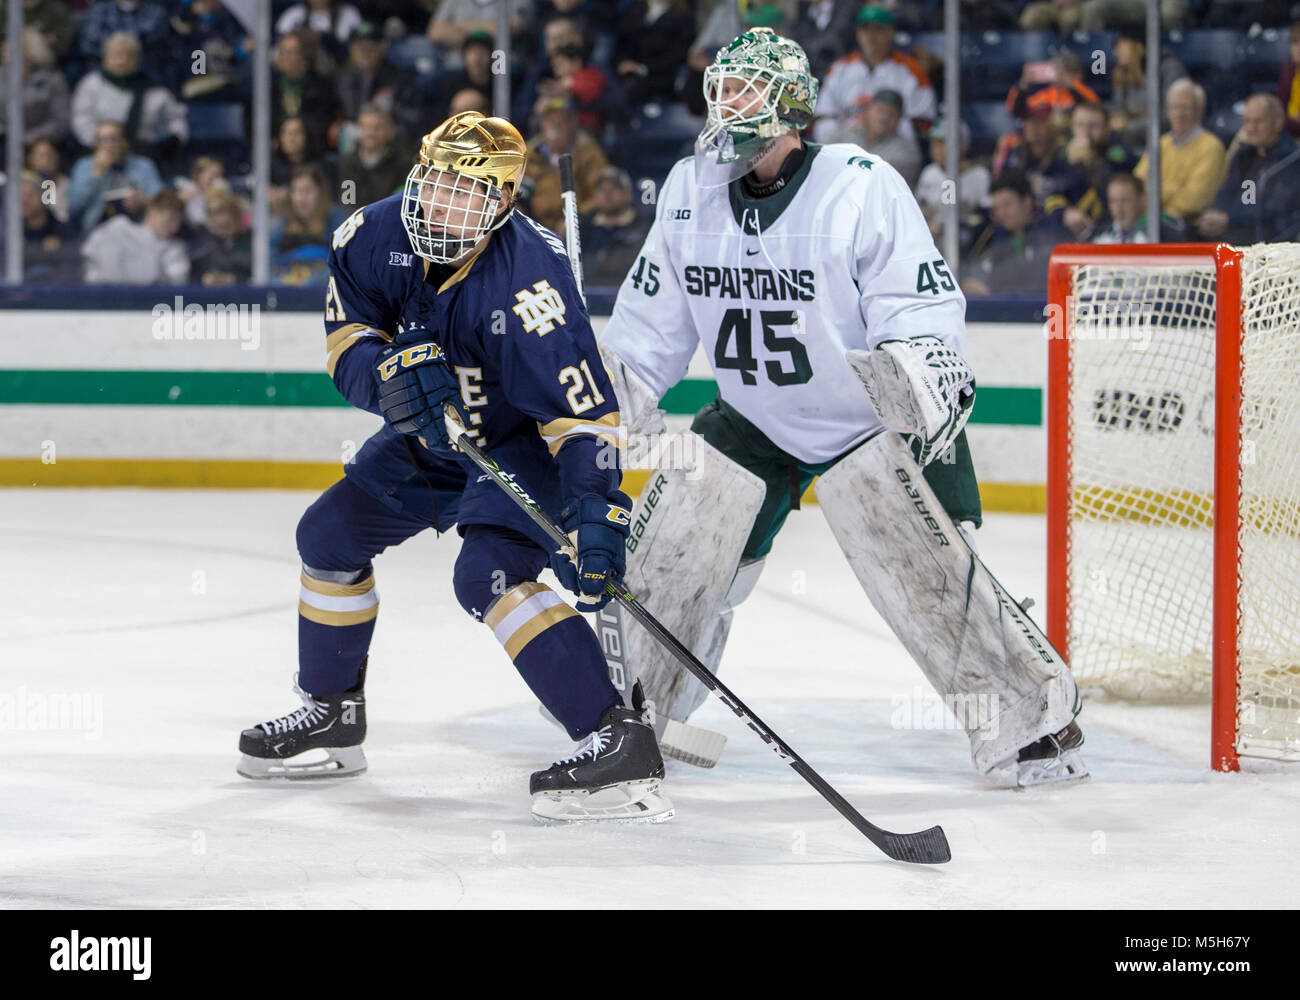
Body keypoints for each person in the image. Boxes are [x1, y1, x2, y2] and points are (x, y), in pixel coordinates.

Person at [600, 29, 1086, 785]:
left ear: (791, 105)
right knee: (675, 550)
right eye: (721, 89)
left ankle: (1031, 718)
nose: (727, 103)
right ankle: (630, 707)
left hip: (867, 417)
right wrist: (612, 400)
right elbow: (649, 326)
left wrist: (920, 375)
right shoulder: (689, 190)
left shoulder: (860, 184)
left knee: (932, 575)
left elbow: (917, 306)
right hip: (754, 415)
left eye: (747, 90)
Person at [239, 111, 670, 823]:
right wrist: (387, 383)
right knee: (327, 537)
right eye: (436, 180)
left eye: (465, 192)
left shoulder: (530, 282)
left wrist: (593, 510)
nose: (442, 202)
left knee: (487, 575)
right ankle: (333, 717)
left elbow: (582, 415)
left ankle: (611, 737)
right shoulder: (370, 235)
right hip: (434, 438)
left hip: (520, 440)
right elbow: (347, 344)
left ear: (501, 203)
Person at [813, 4, 936, 143]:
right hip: (847, 147)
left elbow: (922, 123)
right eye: (866, 30)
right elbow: (823, 116)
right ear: (858, 34)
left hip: (892, 149)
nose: (871, 37)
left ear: (891, 33)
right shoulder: (839, 68)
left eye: (878, 30)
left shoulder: (912, 70)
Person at [70, 32, 189, 167]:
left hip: (146, 155)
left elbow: (176, 120)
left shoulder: (154, 90)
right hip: (99, 153)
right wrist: (103, 145)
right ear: (105, 58)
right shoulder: (91, 84)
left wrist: (172, 142)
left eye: (129, 56)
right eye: (116, 55)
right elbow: (81, 119)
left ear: (138, 60)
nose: (122, 61)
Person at [1197, 94, 1300, 244]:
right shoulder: (1243, 156)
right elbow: (1228, 195)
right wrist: (1215, 214)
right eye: (1247, 121)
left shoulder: (1291, 160)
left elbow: (1275, 211)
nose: (1251, 128)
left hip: (1272, 242)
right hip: (1235, 236)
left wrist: (1229, 219)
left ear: (1277, 123)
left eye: (1258, 121)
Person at [962, 169, 1072, 296]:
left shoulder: (1051, 232)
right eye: (996, 208)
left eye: (1007, 205)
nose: (1001, 214)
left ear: (1027, 202)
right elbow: (979, 273)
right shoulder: (994, 238)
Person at [1133, 79, 1227, 225]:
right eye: (1174, 107)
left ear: (1199, 111)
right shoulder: (1160, 144)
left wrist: (1154, 195)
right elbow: (1136, 188)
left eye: (1186, 108)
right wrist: (1175, 190)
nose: (1179, 114)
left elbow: (1194, 201)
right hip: (1151, 222)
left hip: (1187, 228)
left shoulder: (1211, 147)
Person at [524, 96, 609, 235]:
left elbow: (599, 196)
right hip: (536, 228)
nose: (555, 125)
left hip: (579, 229)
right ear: (542, 126)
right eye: (550, 120)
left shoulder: (589, 154)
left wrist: (574, 220)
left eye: (561, 121)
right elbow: (518, 195)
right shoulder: (529, 155)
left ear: (573, 124)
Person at [66, 120, 164, 235]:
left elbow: (162, 203)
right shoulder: (84, 166)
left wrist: (143, 201)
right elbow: (73, 208)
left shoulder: (143, 165)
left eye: (113, 139)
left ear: (124, 142)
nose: (108, 145)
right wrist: (96, 174)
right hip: (96, 231)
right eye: (102, 141)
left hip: (137, 231)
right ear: (96, 146)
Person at [82, 188, 189, 284]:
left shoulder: (175, 249)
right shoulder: (117, 228)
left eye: (178, 222)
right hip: (103, 299)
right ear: (153, 212)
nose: (175, 228)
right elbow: (89, 262)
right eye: (170, 220)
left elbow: (177, 285)